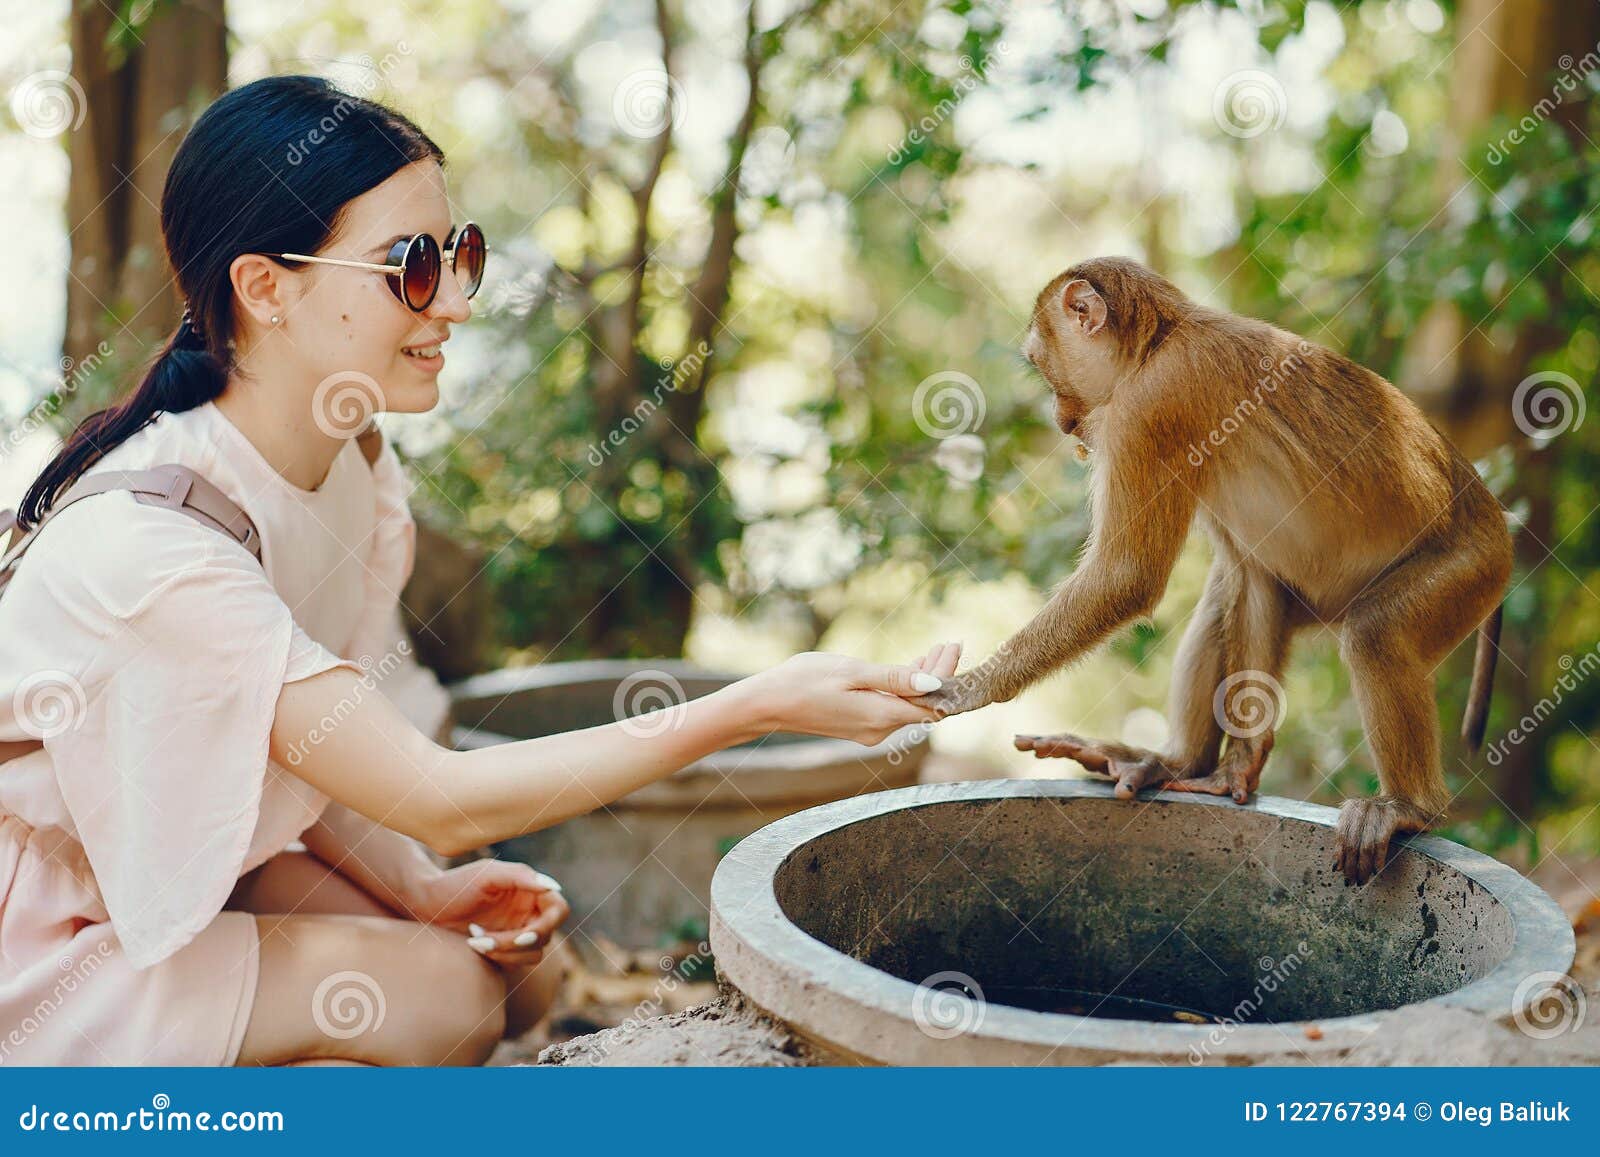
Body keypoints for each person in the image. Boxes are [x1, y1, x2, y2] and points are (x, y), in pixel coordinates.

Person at [0, 75, 960, 1067]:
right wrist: (755, 704)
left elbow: (304, 747)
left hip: (158, 866)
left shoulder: (352, 461)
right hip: (49, 937)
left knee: (521, 973)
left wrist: (417, 886)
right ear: (264, 288)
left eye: (460, 255)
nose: (454, 302)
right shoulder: (160, 547)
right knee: (447, 996)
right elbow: (435, 792)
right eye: (409, 266)